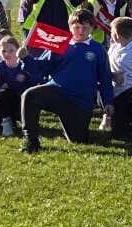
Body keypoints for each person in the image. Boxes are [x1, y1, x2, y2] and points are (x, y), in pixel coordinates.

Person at [20, 10, 116, 153]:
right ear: (70, 27)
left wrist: (108, 101)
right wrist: (26, 58)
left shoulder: (98, 49)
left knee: (78, 139)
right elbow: (42, 69)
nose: (81, 31)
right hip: (58, 92)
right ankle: (31, 141)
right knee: (30, 95)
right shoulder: (60, 45)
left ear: (92, 28)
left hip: (81, 102)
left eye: (85, 28)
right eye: (76, 27)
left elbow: (105, 77)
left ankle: (68, 121)